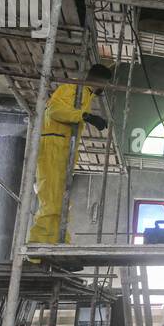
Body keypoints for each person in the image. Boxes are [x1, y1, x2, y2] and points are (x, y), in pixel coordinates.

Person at [27, 64, 112, 244]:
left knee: (61, 202)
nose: (103, 89)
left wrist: (85, 116)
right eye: (104, 85)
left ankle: (59, 244)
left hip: (63, 147)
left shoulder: (86, 93)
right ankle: (38, 247)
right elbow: (55, 110)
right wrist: (86, 117)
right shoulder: (73, 88)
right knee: (51, 200)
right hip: (53, 145)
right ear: (101, 82)